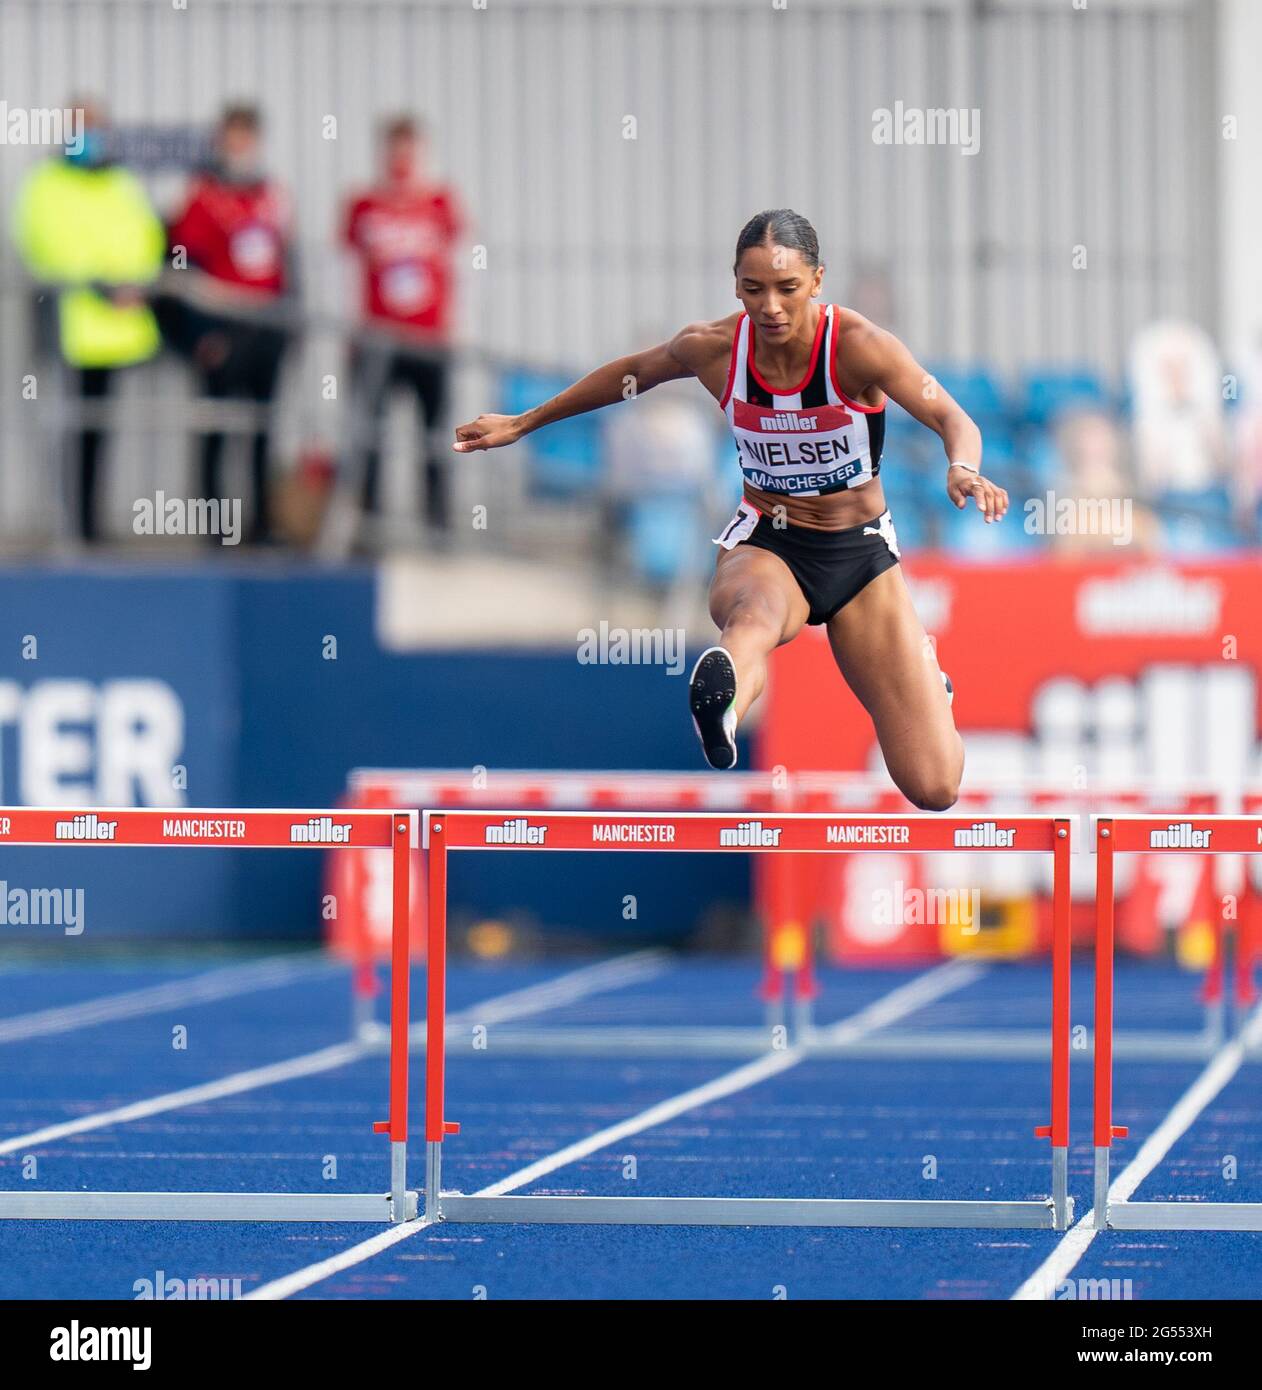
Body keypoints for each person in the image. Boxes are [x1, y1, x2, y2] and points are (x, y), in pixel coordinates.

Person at [453, 210, 1009, 809]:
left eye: (787, 288)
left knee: (934, 786)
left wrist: (964, 467)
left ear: (817, 281)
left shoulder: (859, 348)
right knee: (752, 618)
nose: (770, 306)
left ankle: (929, 680)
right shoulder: (713, 349)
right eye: (753, 289)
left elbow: (954, 418)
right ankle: (723, 706)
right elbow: (632, 374)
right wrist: (524, 421)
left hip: (859, 554)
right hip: (769, 541)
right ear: (735, 284)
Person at [10, 99, 165, 541]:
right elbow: (42, 242)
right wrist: (97, 283)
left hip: (116, 334)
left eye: (96, 128)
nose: (90, 138)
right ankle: (69, 527)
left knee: (98, 431)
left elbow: (146, 236)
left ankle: (90, 524)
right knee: (65, 430)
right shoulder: (45, 183)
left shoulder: (121, 182)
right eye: (83, 128)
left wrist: (134, 283)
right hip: (69, 332)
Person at [164, 105, 294, 544]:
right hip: (222, 331)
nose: (239, 147)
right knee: (217, 428)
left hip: (266, 330)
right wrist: (199, 335)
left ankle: (261, 524)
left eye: (246, 138)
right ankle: (213, 528)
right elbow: (182, 269)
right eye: (231, 139)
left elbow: (285, 266)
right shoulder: (202, 196)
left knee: (261, 431)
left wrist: (287, 331)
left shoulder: (271, 195)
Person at [342, 115, 464, 535]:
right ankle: (367, 524)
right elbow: (343, 261)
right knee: (370, 435)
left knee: (434, 435)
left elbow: (459, 263)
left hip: (429, 341)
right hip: (378, 338)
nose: (402, 160)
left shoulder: (440, 203)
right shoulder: (363, 204)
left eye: (409, 150)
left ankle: (438, 522)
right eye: (395, 150)